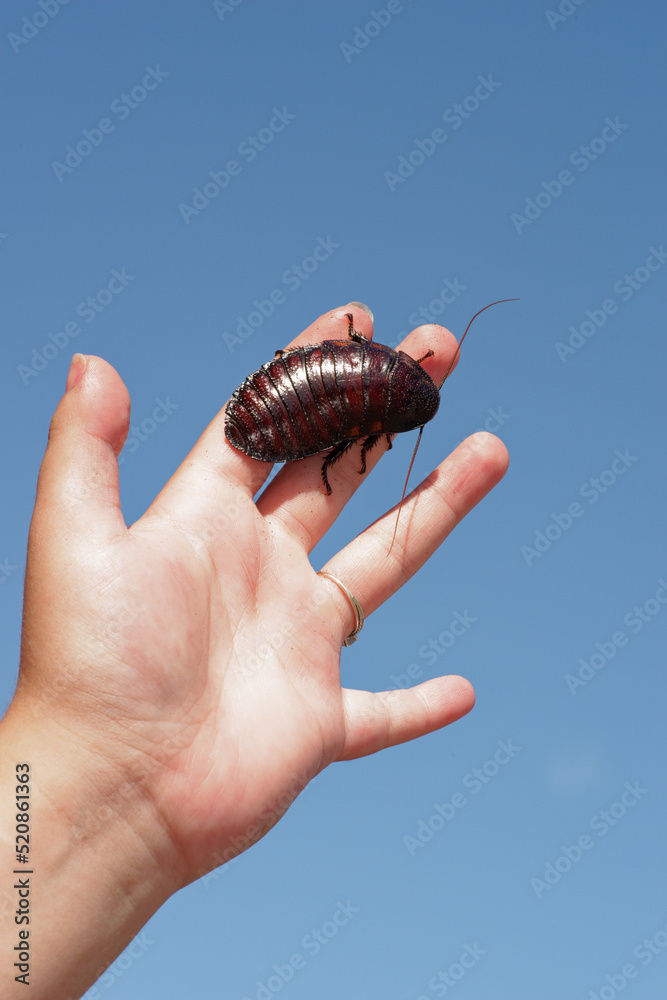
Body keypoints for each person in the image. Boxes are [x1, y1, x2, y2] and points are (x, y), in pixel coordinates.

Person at [0, 303, 508, 999]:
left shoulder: (371, 374)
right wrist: (98, 756)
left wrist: (95, 779)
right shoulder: (366, 417)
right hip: (285, 410)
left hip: (293, 399)